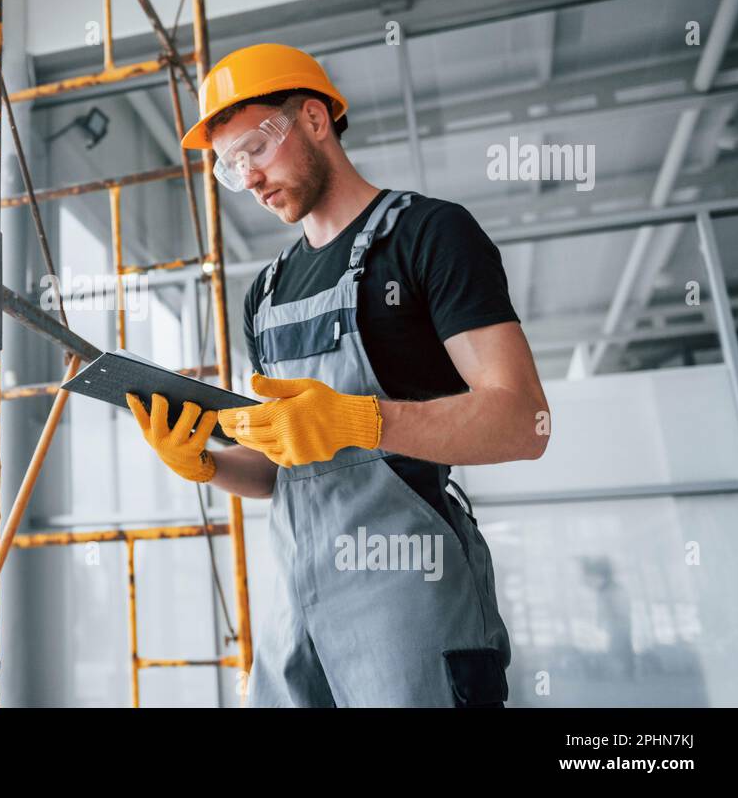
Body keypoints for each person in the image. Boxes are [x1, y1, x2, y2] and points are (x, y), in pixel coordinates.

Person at [124, 43, 550, 707]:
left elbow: (525, 421)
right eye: (232, 166)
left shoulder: (429, 235)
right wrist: (207, 464)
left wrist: (361, 420)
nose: (251, 178)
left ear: (315, 119)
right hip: (296, 617)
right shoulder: (265, 292)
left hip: (410, 609)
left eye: (257, 148)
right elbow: (279, 469)